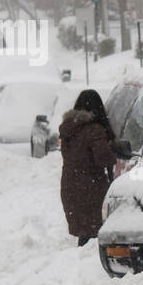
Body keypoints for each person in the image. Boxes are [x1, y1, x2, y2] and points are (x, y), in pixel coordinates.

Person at [59, 89, 123, 246]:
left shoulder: (67, 129)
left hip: (70, 186)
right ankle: (88, 267)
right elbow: (103, 158)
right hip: (90, 188)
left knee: (85, 232)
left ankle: (81, 263)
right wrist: (113, 151)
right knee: (95, 233)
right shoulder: (94, 130)